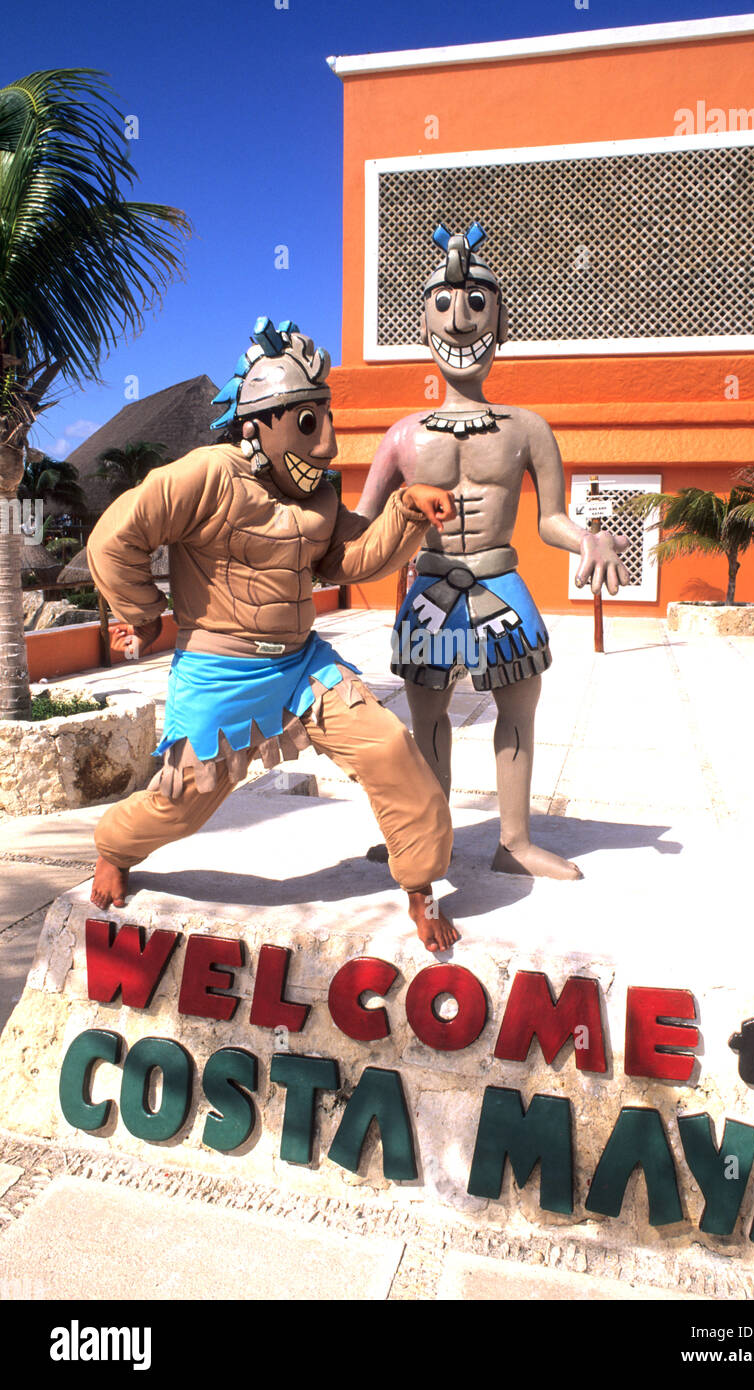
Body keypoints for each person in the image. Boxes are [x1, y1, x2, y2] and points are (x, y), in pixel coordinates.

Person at [87, 317, 459, 952]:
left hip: (302, 666)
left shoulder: (317, 500)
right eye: (309, 422)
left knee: (390, 746)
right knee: (181, 805)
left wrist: (404, 509)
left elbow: (348, 560)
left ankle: (421, 889)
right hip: (221, 672)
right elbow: (115, 535)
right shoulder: (204, 475)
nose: (327, 444)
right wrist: (143, 612)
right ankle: (114, 849)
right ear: (259, 423)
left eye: (327, 418)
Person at [358, 226, 631, 881]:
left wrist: (589, 539)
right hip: (429, 589)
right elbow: (358, 527)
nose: (459, 323)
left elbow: (554, 521)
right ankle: (428, 837)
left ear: (500, 326)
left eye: (477, 305)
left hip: (499, 581)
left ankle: (514, 842)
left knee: (518, 705)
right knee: (425, 714)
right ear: (422, 327)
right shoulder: (400, 436)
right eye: (445, 307)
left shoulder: (529, 429)